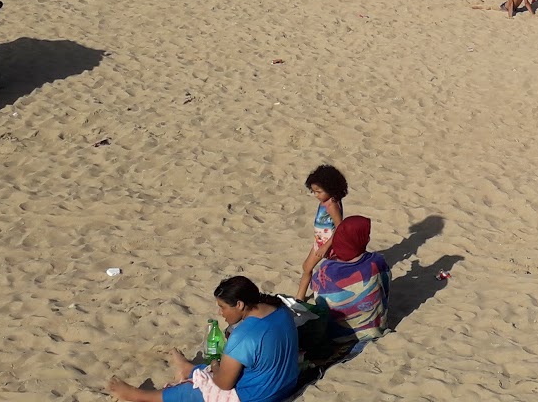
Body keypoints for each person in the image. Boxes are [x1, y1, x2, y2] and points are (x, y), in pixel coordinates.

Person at [106, 275, 299, 402]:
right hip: (287, 383)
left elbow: (224, 383)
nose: (220, 312)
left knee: (191, 390)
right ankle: (188, 368)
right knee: (209, 370)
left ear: (239, 304)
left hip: (260, 396)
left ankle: (138, 395)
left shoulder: (243, 335)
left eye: (223, 307)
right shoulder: (280, 309)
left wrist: (216, 365)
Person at [311, 216, 391, 347]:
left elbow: (318, 296)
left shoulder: (325, 269)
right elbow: (386, 286)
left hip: (335, 335)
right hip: (373, 331)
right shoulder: (377, 262)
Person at [297, 164, 348, 300]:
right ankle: (299, 297)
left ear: (330, 188)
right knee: (306, 267)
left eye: (319, 192)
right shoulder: (325, 202)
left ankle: (303, 297)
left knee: (327, 271)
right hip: (320, 242)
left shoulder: (332, 205)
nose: (316, 195)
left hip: (329, 245)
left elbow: (340, 227)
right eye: (314, 191)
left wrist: (326, 246)